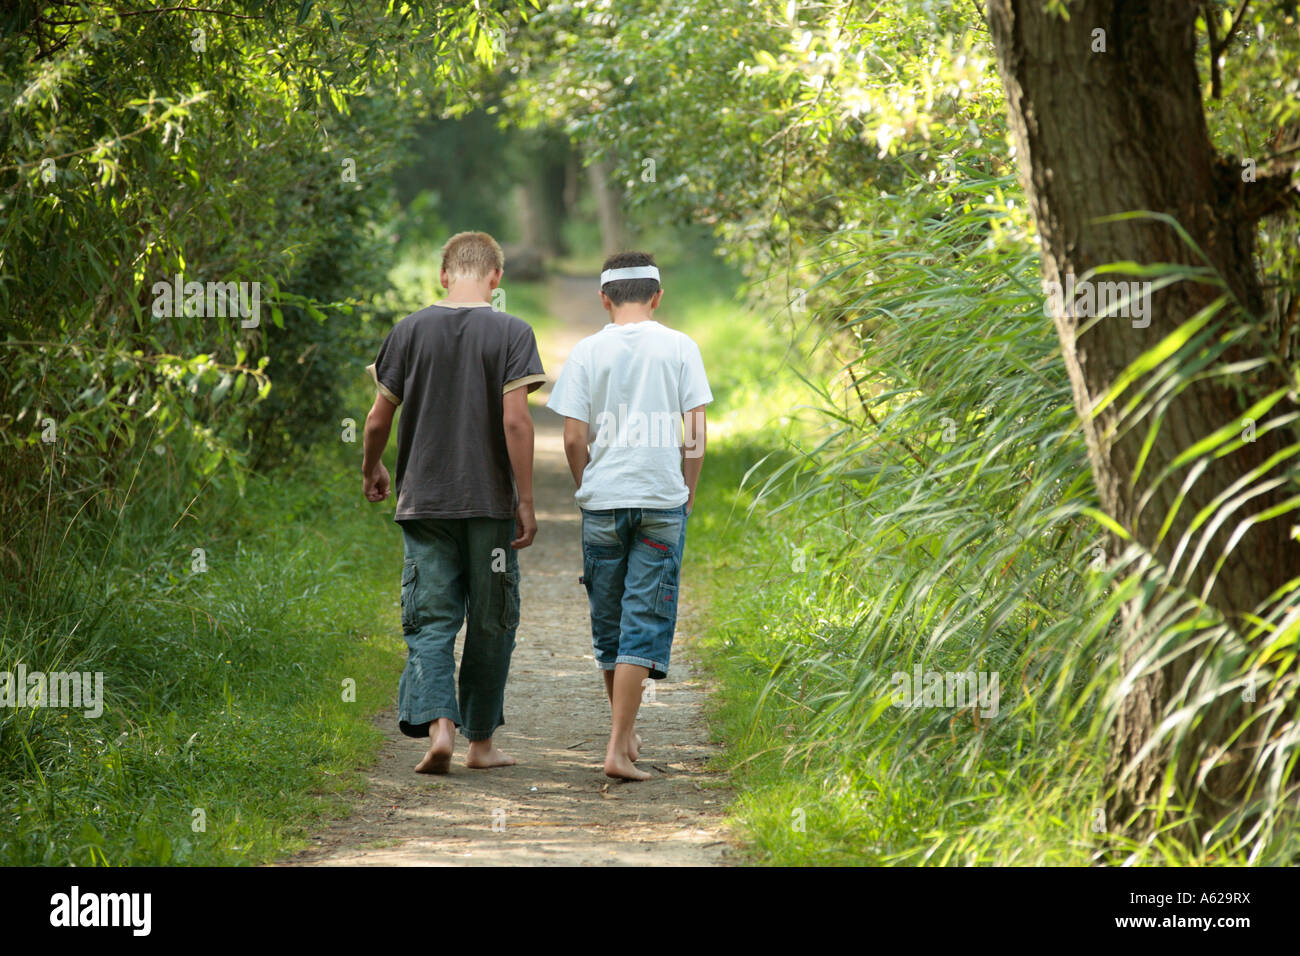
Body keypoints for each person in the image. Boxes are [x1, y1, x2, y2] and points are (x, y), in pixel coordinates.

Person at [361, 231, 545, 774]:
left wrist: (372, 466)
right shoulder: (513, 332)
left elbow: (376, 419)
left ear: (443, 274)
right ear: (496, 278)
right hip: (489, 506)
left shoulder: (408, 331)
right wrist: (526, 499)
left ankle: (439, 727)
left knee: (431, 620)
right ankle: (481, 744)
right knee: (491, 620)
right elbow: (516, 420)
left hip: (426, 502)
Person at [546, 251, 711, 780]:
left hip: (604, 502)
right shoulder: (681, 347)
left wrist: (587, 484)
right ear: (658, 297)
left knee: (610, 622)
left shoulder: (588, 351)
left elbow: (573, 436)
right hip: (661, 502)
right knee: (644, 619)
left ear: (604, 299)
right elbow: (696, 434)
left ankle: (623, 735)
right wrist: (686, 491)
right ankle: (619, 746)